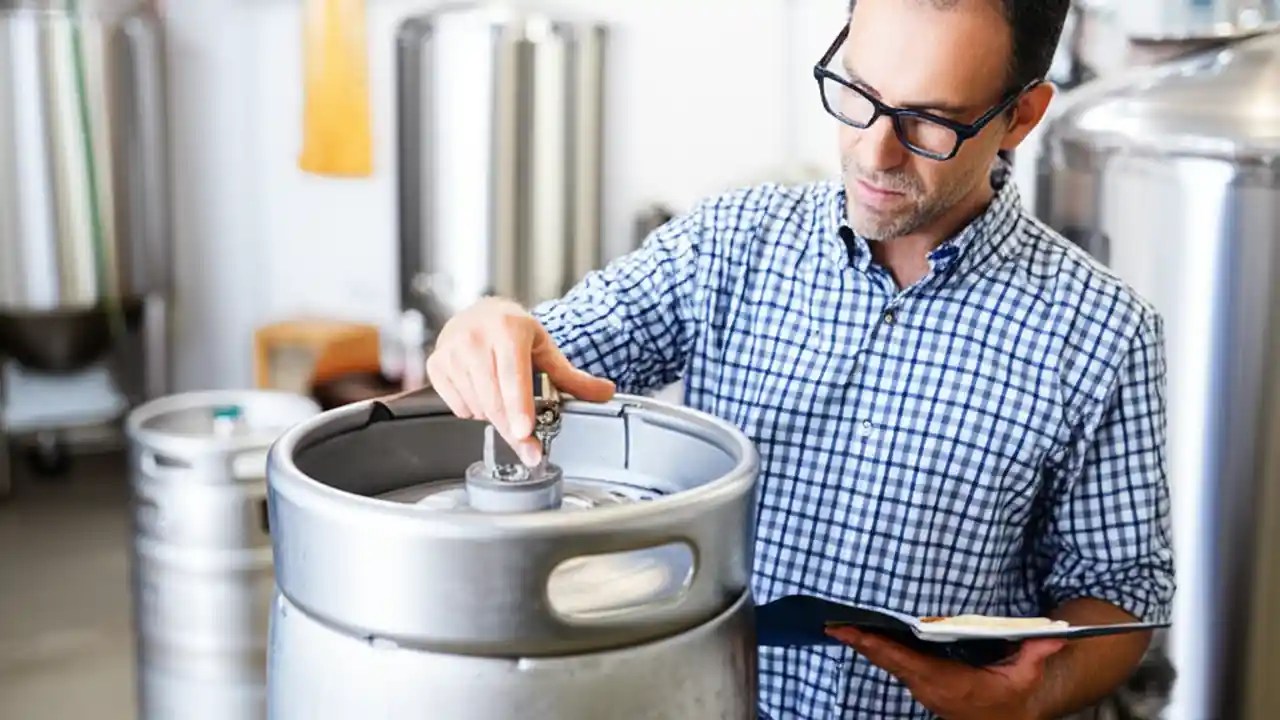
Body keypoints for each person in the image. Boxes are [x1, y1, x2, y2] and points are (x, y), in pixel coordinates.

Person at [425, 0, 1175, 717]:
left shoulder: (1103, 334)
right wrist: (494, 330)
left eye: (930, 123)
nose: (873, 151)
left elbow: (1120, 591)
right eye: (858, 91)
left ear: (1022, 116)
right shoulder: (728, 243)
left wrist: (1035, 697)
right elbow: (549, 351)